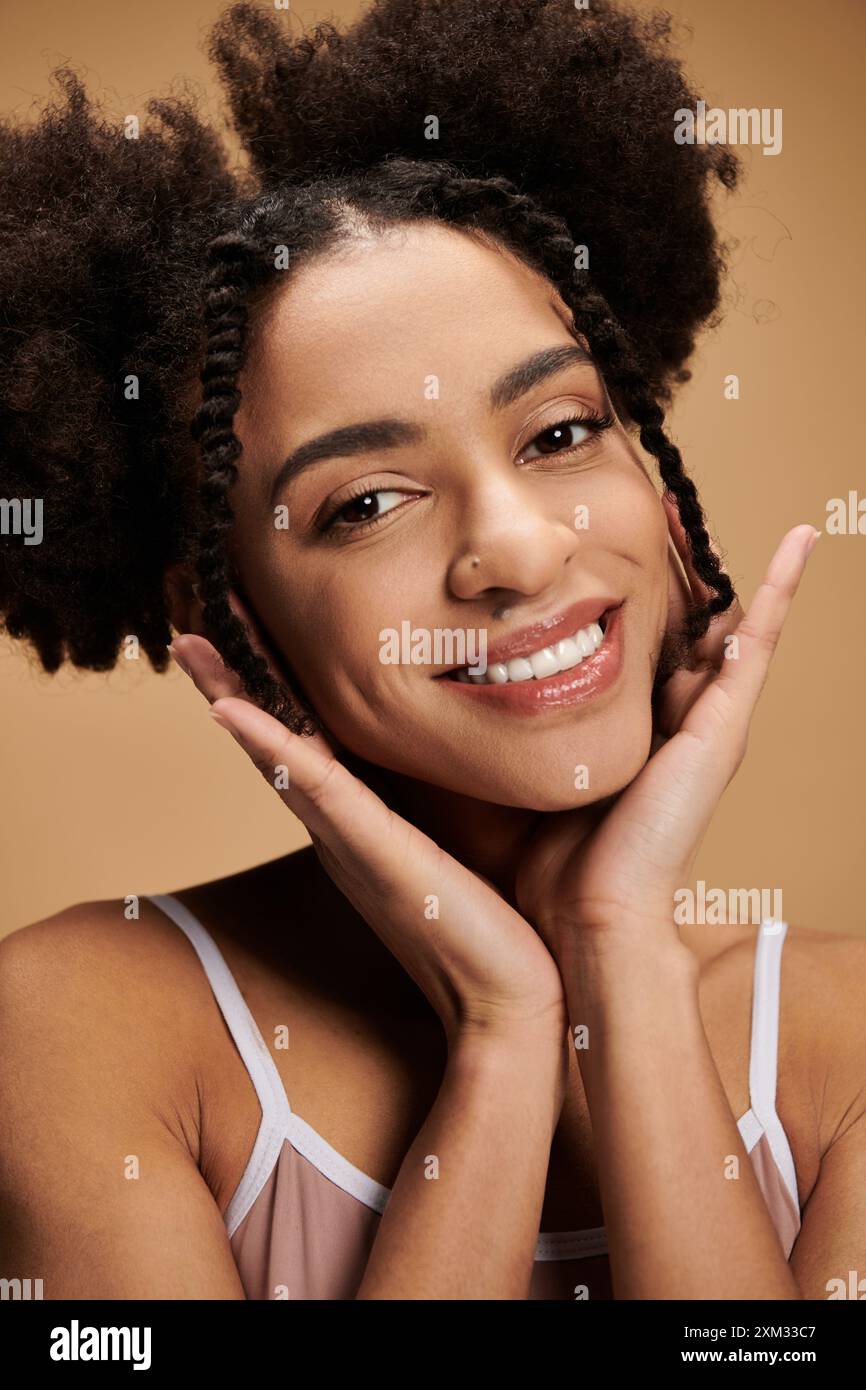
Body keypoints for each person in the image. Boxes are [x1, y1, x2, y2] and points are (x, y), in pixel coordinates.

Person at [1, 0, 863, 1301]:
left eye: (560, 433)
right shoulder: (74, 1024)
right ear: (223, 612)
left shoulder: (847, 1036)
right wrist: (503, 1034)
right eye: (365, 504)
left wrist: (613, 945)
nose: (514, 549)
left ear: (660, 484)